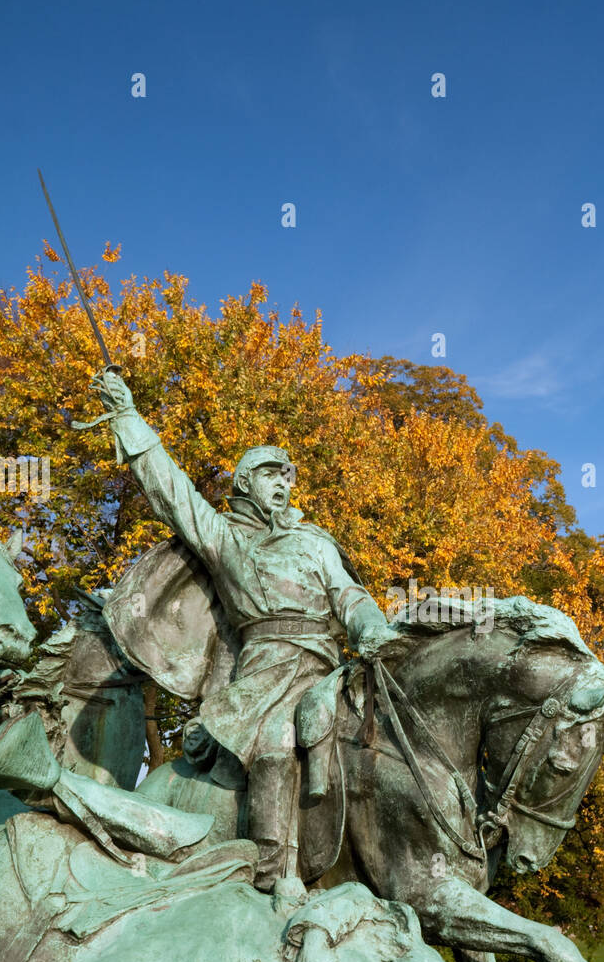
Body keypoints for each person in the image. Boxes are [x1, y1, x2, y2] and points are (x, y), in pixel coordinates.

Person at [90, 369, 404, 904]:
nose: (283, 483)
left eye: (287, 476)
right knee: (280, 739)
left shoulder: (315, 543)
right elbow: (173, 493)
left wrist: (373, 628)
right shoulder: (226, 539)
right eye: (270, 474)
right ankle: (270, 865)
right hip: (267, 669)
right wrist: (129, 419)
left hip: (331, 664)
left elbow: (350, 596)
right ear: (244, 484)